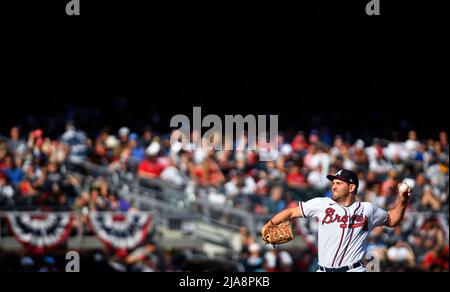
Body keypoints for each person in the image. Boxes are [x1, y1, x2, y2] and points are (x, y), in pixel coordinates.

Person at [261, 169, 411, 272]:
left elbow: (392, 220)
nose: (334, 186)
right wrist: (270, 224)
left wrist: (403, 201)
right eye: (333, 183)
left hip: (354, 269)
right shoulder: (322, 204)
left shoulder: (367, 209)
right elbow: (291, 212)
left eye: (339, 183)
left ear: (351, 187)